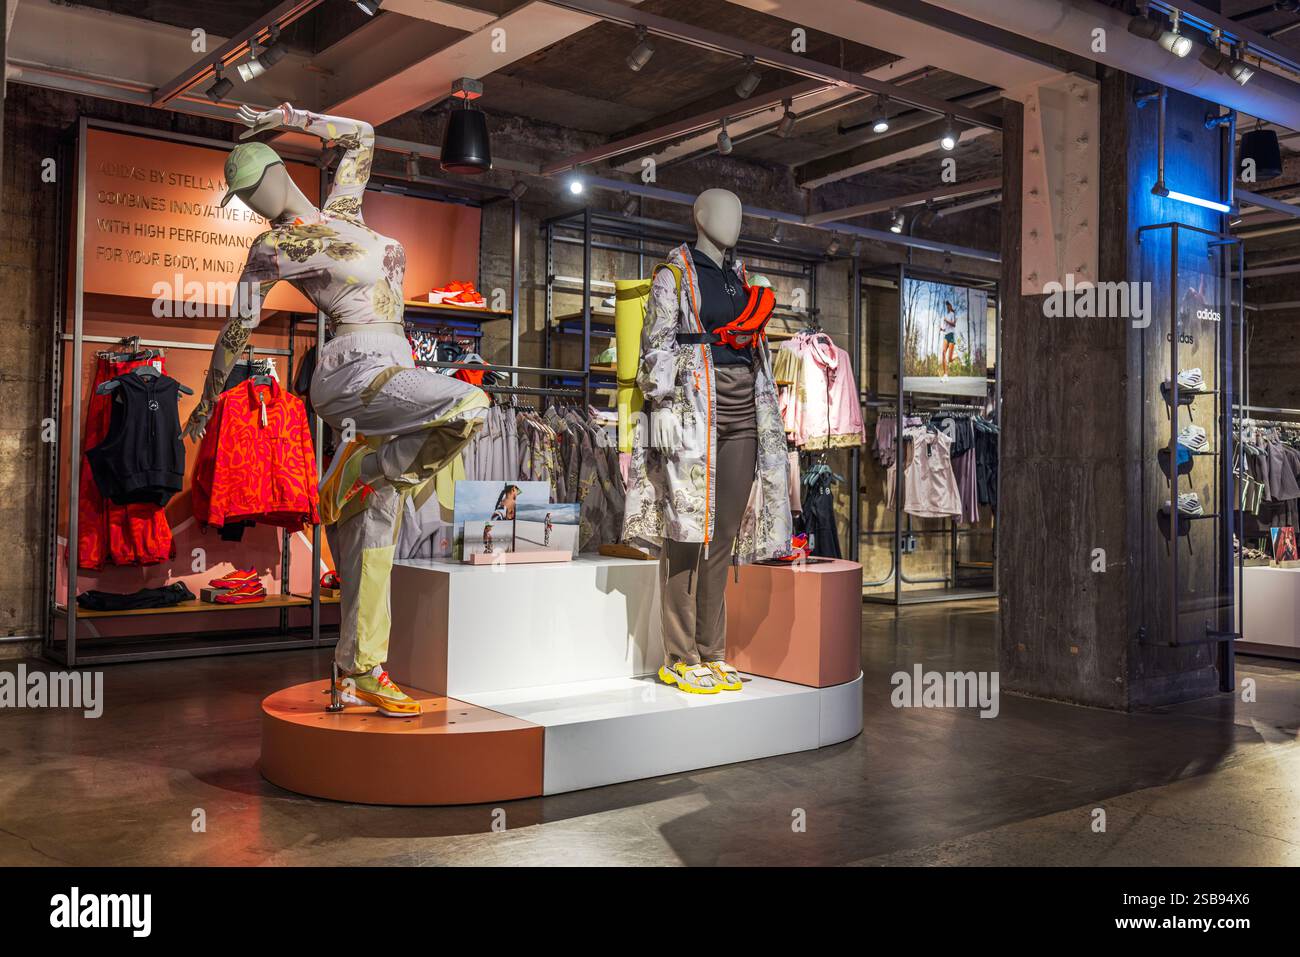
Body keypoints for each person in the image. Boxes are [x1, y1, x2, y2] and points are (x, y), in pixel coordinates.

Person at [184, 102, 488, 718]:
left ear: (275, 172)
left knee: (373, 530)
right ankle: (361, 469)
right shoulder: (275, 247)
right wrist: (209, 400)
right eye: (242, 199)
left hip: (393, 362)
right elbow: (236, 331)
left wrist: (290, 115)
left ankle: (359, 670)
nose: (252, 203)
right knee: (470, 403)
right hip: (352, 371)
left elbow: (362, 133)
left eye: (250, 188)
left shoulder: (342, 211)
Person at [940, 299, 959, 381]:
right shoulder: (946, 315)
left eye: (949, 305)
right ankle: (945, 375)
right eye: (946, 305)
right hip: (946, 335)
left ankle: (957, 355)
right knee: (943, 352)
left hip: (951, 335)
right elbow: (945, 328)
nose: (947, 306)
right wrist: (942, 329)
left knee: (950, 359)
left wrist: (946, 320)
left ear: (951, 307)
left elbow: (954, 324)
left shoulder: (953, 314)